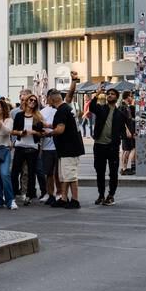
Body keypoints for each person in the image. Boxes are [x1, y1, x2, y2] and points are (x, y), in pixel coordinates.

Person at [47, 81, 84, 209]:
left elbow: (60, 129)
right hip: (65, 149)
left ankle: (75, 200)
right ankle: (63, 198)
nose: (47, 102)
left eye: (48, 100)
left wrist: (47, 134)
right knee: (64, 176)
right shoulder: (65, 108)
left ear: (52, 99)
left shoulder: (62, 110)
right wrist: (48, 126)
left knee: (71, 175)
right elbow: (62, 125)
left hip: (70, 148)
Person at [88, 87, 127, 206]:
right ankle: (101, 195)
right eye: (108, 94)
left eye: (112, 94)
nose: (109, 95)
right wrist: (97, 94)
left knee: (113, 172)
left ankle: (111, 195)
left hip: (112, 147)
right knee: (100, 171)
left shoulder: (120, 113)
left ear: (116, 97)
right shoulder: (101, 109)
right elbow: (91, 107)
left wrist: (121, 137)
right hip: (99, 145)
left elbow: (122, 130)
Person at [11, 94, 45, 205]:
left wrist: (35, 132)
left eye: (35, 101)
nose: (32, 102)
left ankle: (29, 195)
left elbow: (42, 133)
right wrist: (21, 132)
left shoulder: (37, 116)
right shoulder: (19, 115)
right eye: (31, 100)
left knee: (31, 172)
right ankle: (14, 192)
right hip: (20, 145)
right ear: (26, 101)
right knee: (15, 171)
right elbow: (13, 131)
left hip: (33, 147)